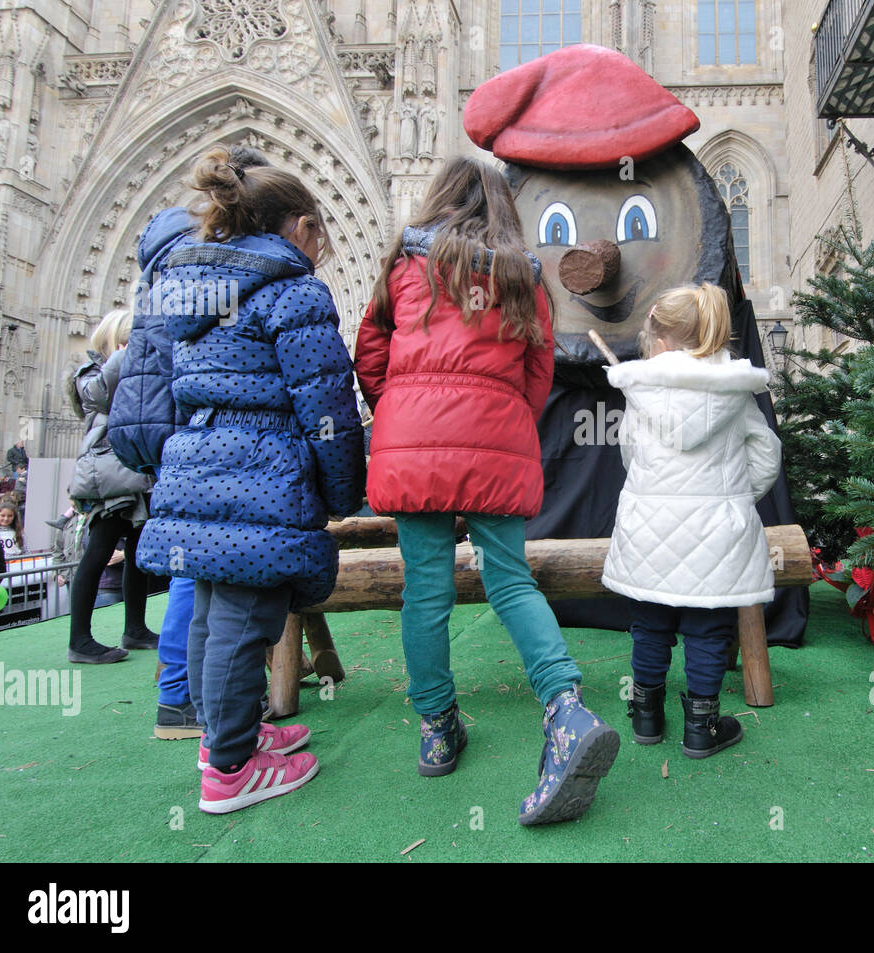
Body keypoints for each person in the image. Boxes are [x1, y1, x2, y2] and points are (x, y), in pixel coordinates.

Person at [355, 156, 619, 827]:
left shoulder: (403, 265)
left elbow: (371, 356)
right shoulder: (522, 276)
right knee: (510, 580)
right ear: (503, 207)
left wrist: (407, 411)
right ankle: (565, 708)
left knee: (426, 589)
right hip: (495, 439)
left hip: (413, 445)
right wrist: (498, 421)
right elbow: (540, 371)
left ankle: (438, 728)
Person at [135, 145, 365, 813]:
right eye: (319, 228)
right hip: (261, 472)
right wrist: (342, 491)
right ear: (297, 227)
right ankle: (231, 769)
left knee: (213, 608)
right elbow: (326, 404)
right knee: (246, 620)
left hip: (199, 462)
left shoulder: (195, 292)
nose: (322, 244)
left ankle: (223, 740)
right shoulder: (293, 290)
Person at [111, 144, 271, 740]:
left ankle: (195, 697)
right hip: (193, 421)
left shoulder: (167, 254)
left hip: (161, 418)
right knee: (196, 566)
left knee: (195, 560)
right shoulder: (199, 256)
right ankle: (186, 699)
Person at [601, 283, 782, 758]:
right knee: (708, 626)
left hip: (648, 527)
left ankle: (646, 716)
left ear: (660, 342)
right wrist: (735, 499)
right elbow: (766, 456)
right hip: (717, 530)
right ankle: (702, 728)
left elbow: (630, 455)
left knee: (649, 622)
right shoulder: (737, 395)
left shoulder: (642, 393)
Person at [66, 308, 158, 664]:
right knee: (99, 552)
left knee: (137, 552)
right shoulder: (91, 373)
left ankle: (135, 628)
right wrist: (122, 357)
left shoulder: (129, 374)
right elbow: (97, 399)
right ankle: (79, 640)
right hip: (109, 475)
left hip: (134, 472)